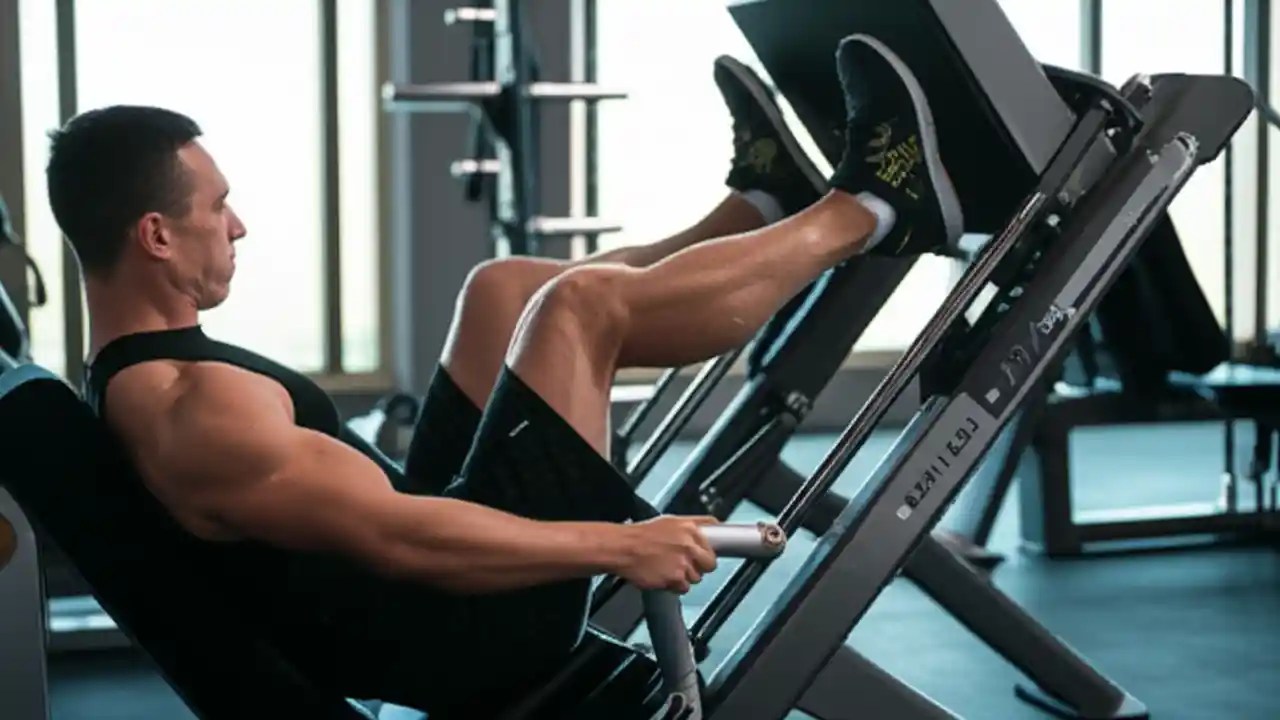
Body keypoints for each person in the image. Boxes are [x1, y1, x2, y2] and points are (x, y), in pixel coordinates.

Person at [46, 35, 962, 714]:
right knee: (578, 312)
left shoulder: (149, 373)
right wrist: (621, 547)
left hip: (424, 586)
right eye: (218, 207)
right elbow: (404, 542)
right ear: (157, 236)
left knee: (503, 291)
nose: (238, 227)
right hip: (474, 634)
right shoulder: (192, 416)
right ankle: (880, 207)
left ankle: (764, 207)